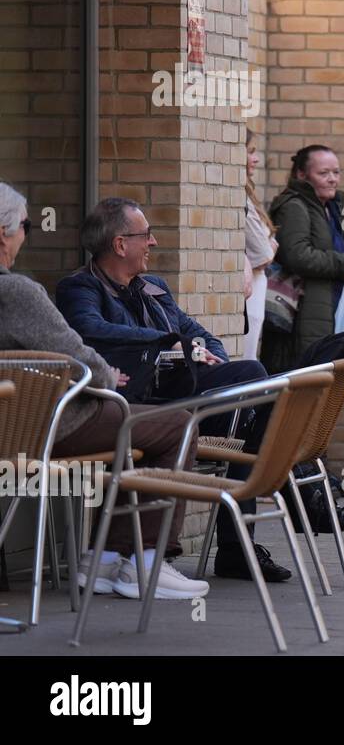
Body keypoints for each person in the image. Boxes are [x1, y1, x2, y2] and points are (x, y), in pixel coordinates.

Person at [55, 198, 294, 583]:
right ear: (120, 245)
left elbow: (198, 334)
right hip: (136, 402)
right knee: (258, 380)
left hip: (181, 392)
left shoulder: (153, 287)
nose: (153, 242)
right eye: (146, 235)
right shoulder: (80, 288)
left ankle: (239, 542)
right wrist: (168, 343)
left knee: (263, 396)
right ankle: (264, 521)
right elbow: (88, 331)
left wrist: (204, 353)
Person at [0, 183, 205, 599]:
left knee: (137, 425)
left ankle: (106, 558)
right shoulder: (16, 291)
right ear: (3, 232)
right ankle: (146, 562)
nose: (26, 235)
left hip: (17, 429)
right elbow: (79, 357)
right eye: (26, 226)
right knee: (177, 425)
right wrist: (107, 376)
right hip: (43, 429)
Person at [260, 144, 344, 375]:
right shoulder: (293, 206)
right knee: (303, 383)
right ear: (302, 174)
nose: (332, 179)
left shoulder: (336, 209)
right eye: (323, 173)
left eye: (336, 172)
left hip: (330, 310)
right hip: (302, 317)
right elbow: (297, 255)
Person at [244, 131, 278, 362]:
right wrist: (270, 246)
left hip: (256, 293)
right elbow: (265, 254)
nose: (256, 159)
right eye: (250, 152)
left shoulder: (247, 194)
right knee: (246, 360)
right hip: (250, 297)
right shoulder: (241, 197)